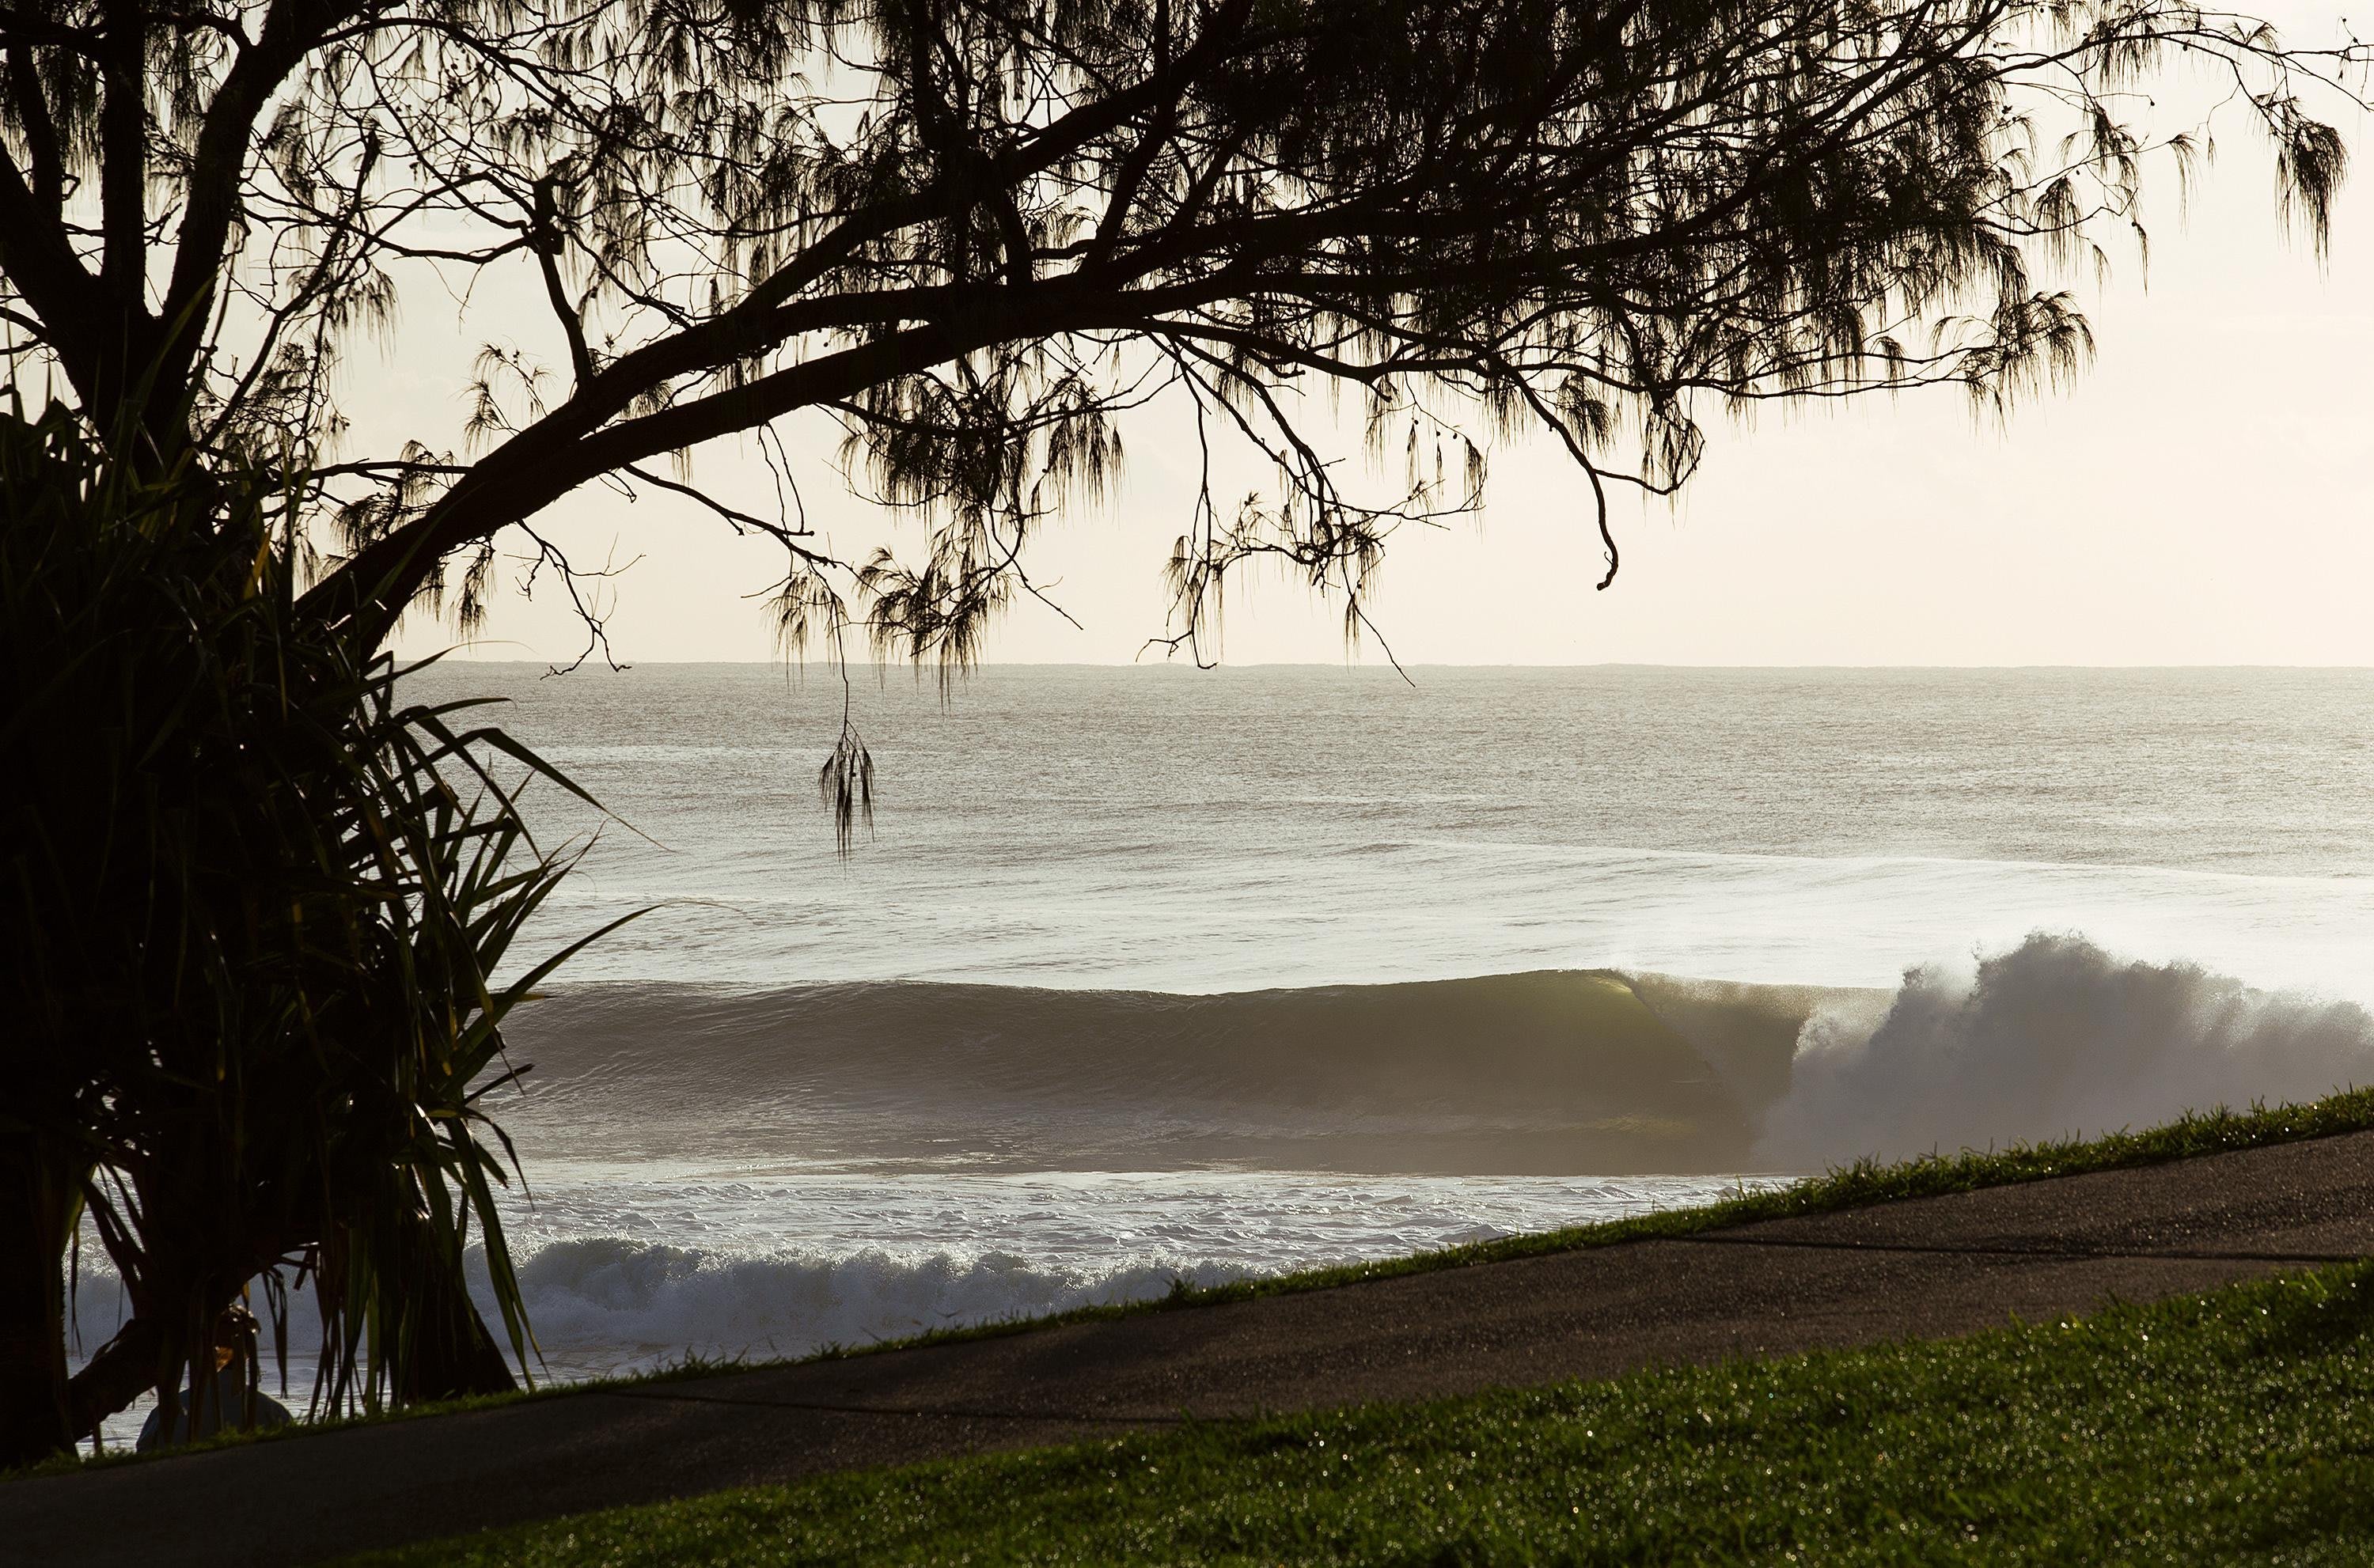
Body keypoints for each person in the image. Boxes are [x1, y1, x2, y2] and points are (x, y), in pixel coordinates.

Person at [134, 1304, 294, 1451]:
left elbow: (144, 1457)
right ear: (248, 1352)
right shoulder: (273, 1414)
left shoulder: (166, 1413)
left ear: (199, 1349)